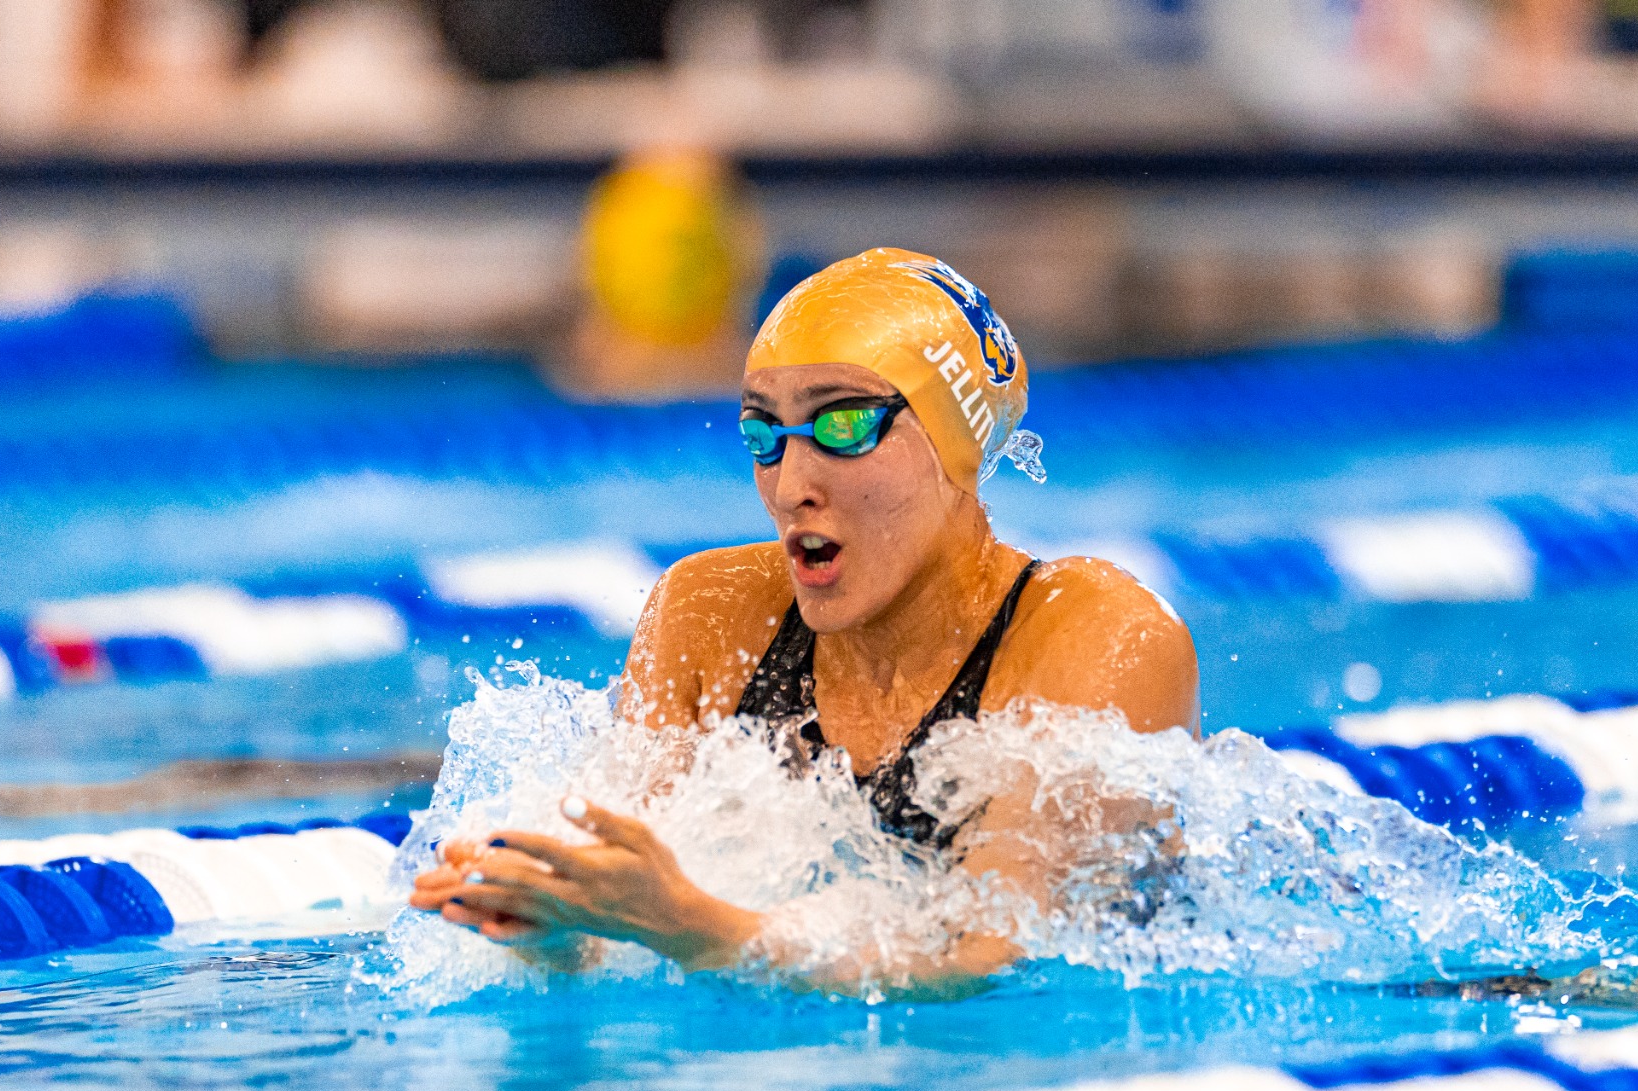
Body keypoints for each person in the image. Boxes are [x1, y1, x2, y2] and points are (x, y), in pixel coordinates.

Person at [410, 248, 1199, 991]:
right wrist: (556, 927)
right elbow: (626, 915)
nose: (790, 486)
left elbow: (993, 957)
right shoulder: (709, 616)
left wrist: (698, 929)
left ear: (955, 442)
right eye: (764, 434)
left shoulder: (1095, 640)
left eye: (842, 425)